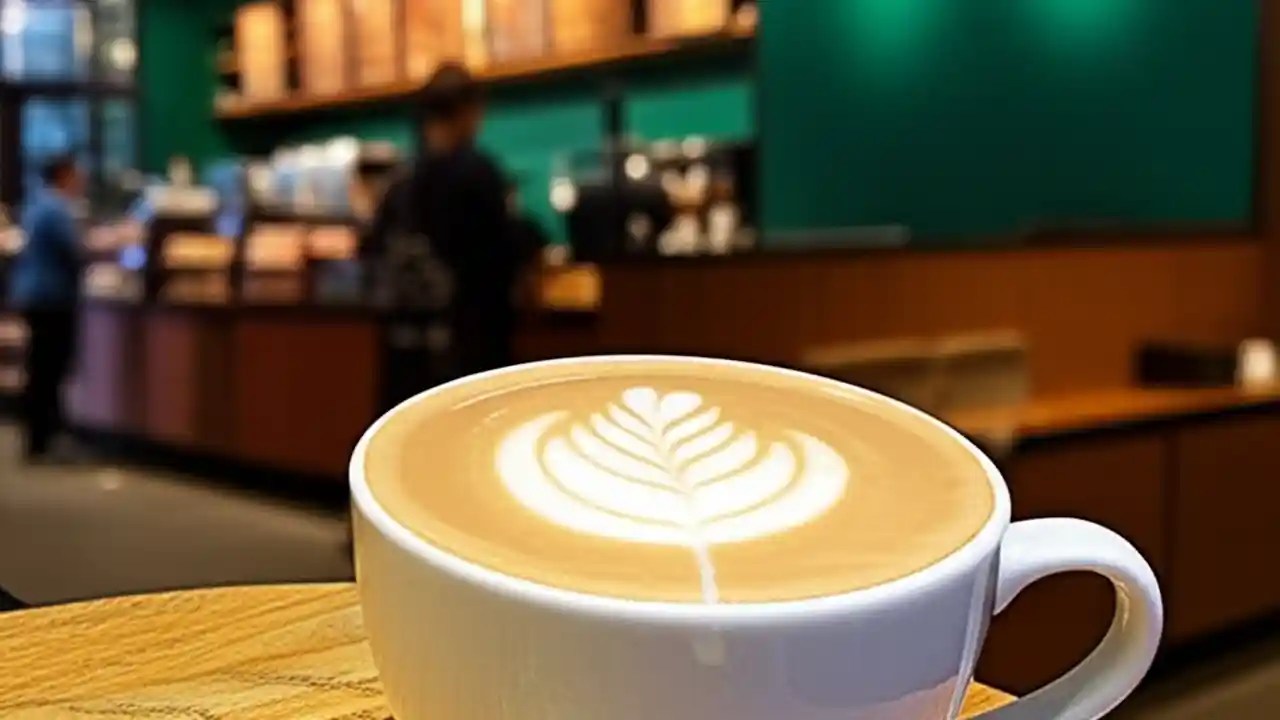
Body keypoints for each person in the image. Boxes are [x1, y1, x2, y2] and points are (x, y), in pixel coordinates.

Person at [367, 63, 517, 410]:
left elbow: (373, 250)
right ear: (468, 112)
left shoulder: (399, 183)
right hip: (466, 353)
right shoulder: (478, 174)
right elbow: (503, 254)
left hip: (402, 354)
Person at [9, 155, 84, 461]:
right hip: (53, 297)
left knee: (39, 366)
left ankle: (38, 437)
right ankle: (45, 437)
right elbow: (73, 250)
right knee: (50, 367)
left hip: (33, 294)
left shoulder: (36, 205)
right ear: (64, 176)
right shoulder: (57, 209)